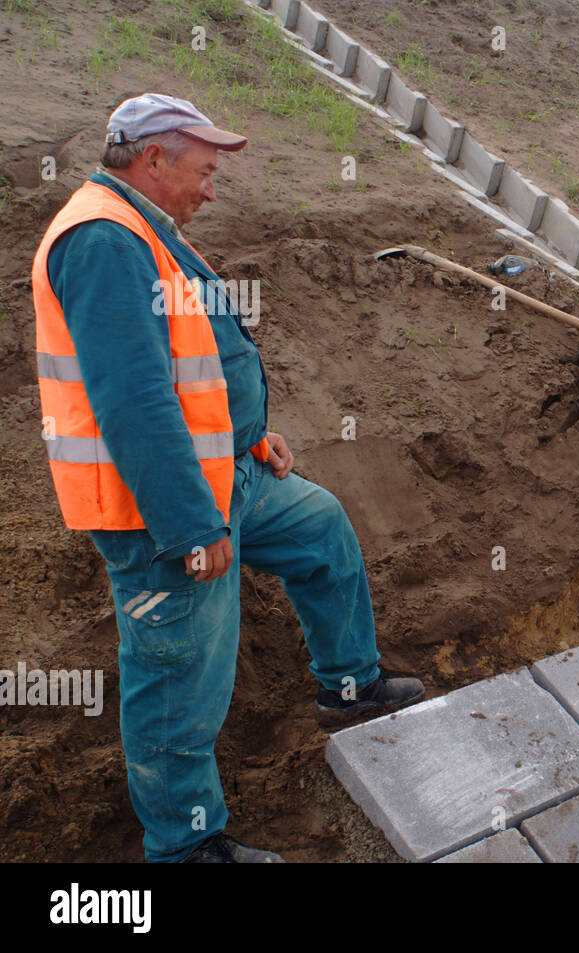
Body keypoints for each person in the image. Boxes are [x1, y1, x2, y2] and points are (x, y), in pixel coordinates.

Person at [32, 94, 425, 863]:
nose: (213, 188)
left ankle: (346, 684)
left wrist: (249, 440)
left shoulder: (145, 229)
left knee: (321, 528)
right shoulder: (104, 240)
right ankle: (185, 845)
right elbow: (135, 402)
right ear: (153, 159)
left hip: (231, 475)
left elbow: (193, 364)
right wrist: (190, 526)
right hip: (158, 511)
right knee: (181, 673)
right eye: (205, 172)